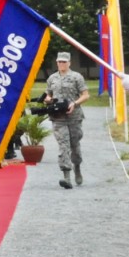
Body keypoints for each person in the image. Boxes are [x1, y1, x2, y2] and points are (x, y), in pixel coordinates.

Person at [44, 51, 89, 188]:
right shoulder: (52, 78)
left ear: (69, 63)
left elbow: (85, 95)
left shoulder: (76, 77)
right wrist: (48, 99)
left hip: (74, 116)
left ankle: (77, 166)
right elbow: (47, 94)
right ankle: (66, 177)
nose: (61, 64)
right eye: (59, 61)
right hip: (58, 117)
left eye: (64, 61)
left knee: (74, 145)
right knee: (63, 145)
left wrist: (74, 103)